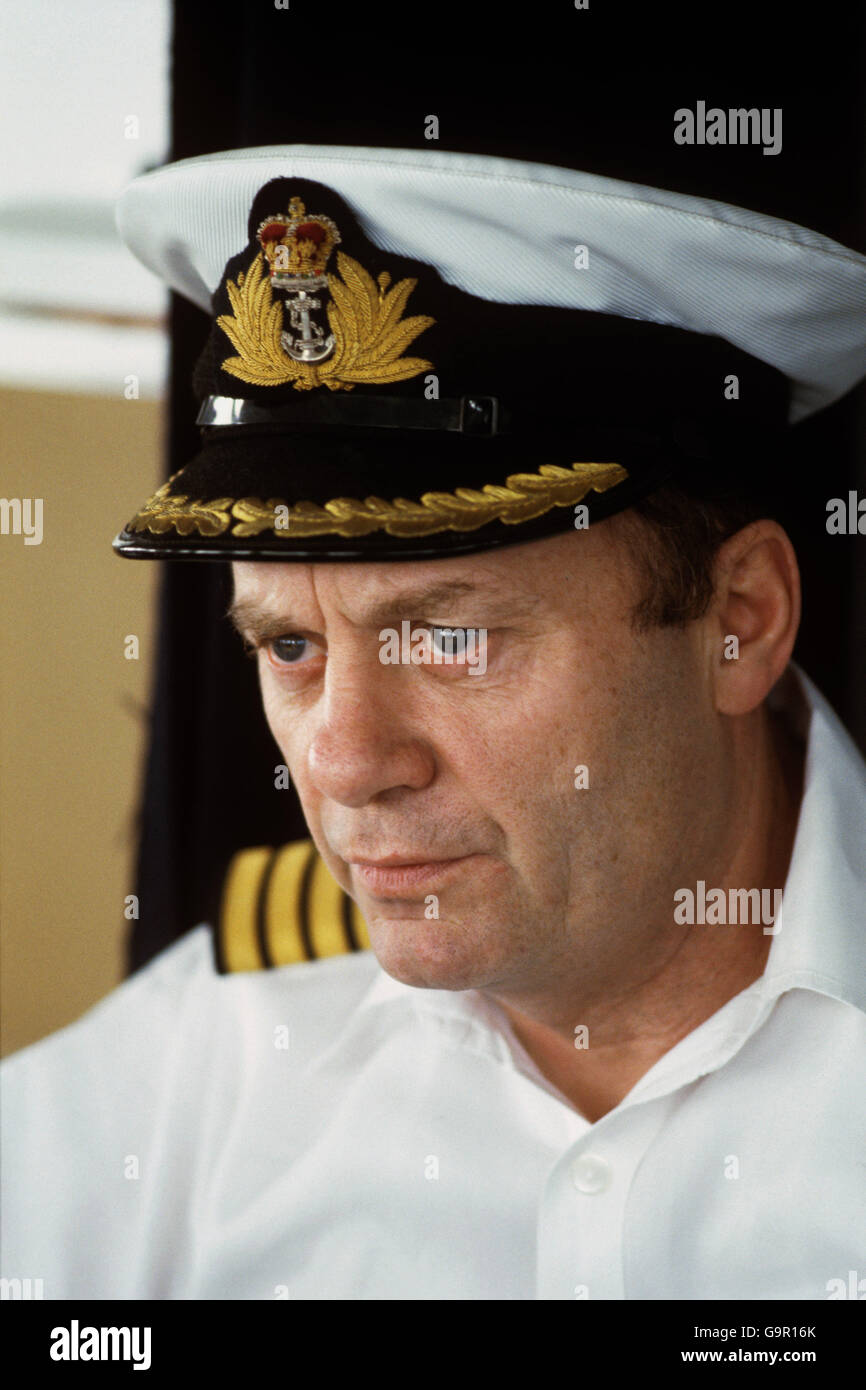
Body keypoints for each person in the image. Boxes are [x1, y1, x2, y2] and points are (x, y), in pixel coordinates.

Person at [2, 146, 865, 1301]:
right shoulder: (193, 1077)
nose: (343, 762)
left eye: (449, 639)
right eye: (290, 646)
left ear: (738, 620)